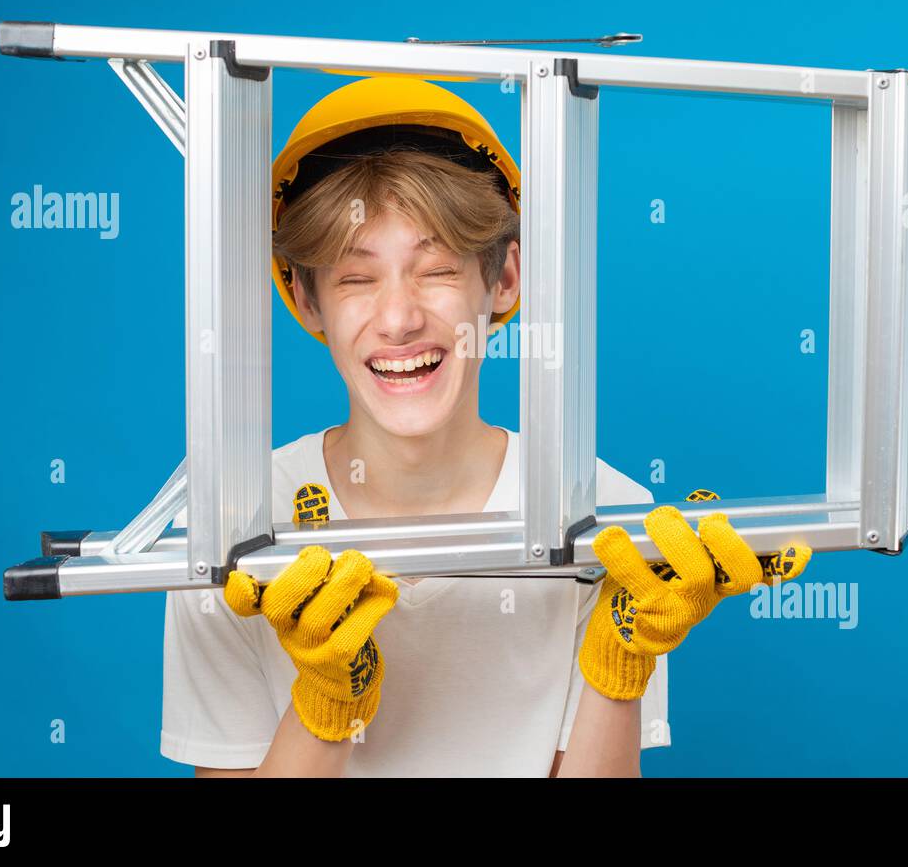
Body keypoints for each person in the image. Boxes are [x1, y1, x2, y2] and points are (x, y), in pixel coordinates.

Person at [159, 74, 811, 777]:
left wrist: (618, 669)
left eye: (435, 269)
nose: (400, 317)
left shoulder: (605, 523)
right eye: (355, 278)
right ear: (305, 299)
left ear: (502, 281)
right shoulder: (235, 532)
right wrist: (324, 703)